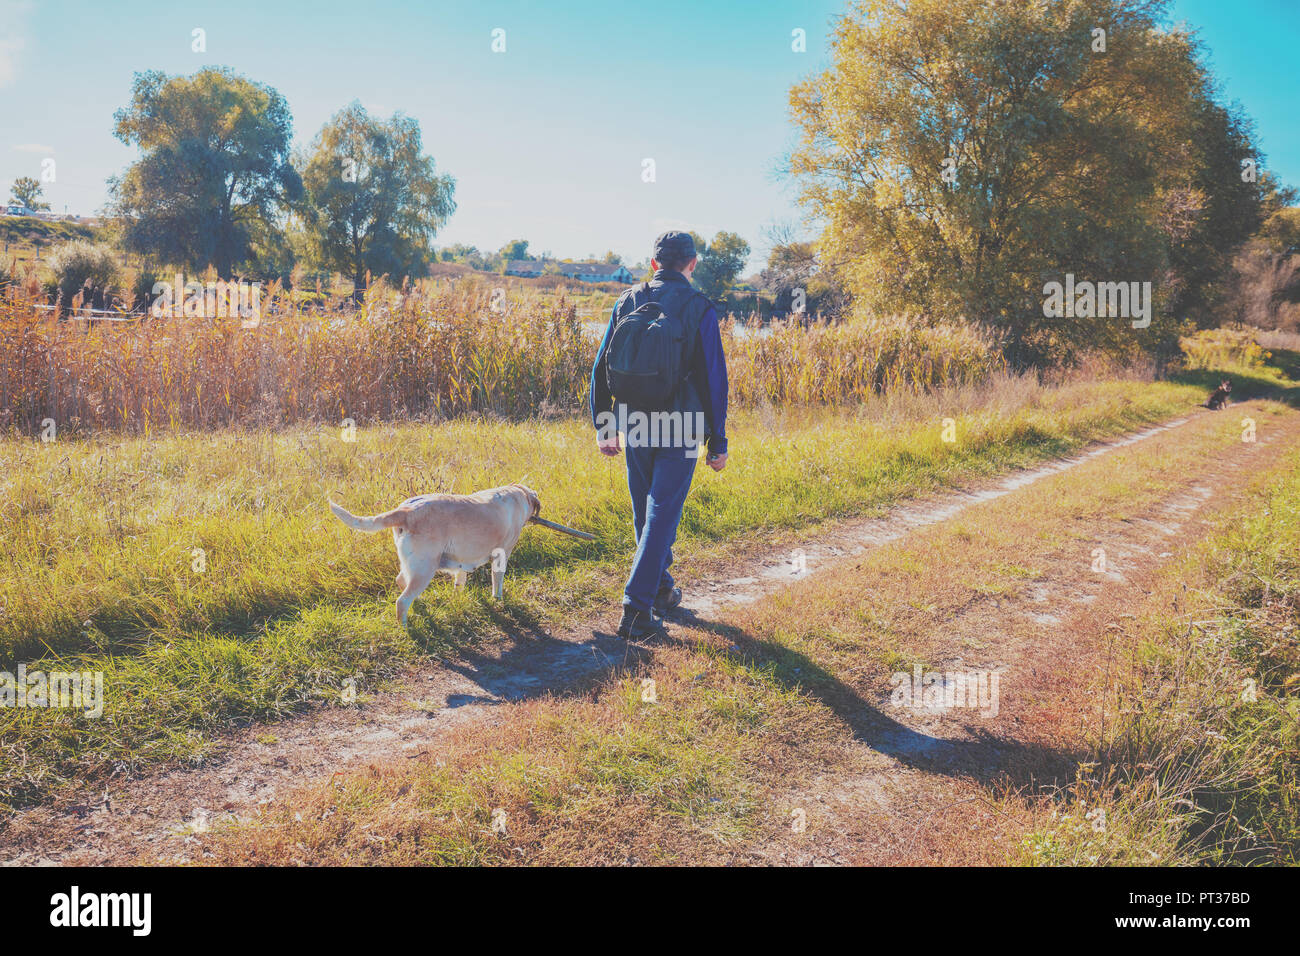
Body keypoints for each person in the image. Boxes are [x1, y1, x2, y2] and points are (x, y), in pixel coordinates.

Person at [590, 231, 729, 640]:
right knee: (661, 513)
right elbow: (713, 381)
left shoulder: (627, 301)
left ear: (653, 264)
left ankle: (662, 589)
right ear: (693, 264)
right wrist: (716, 442)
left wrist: (604, 426)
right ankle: (636, 607)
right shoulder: (700, 307)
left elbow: (601, 368)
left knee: (645, 512)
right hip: (680, 424)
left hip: (633, 421)